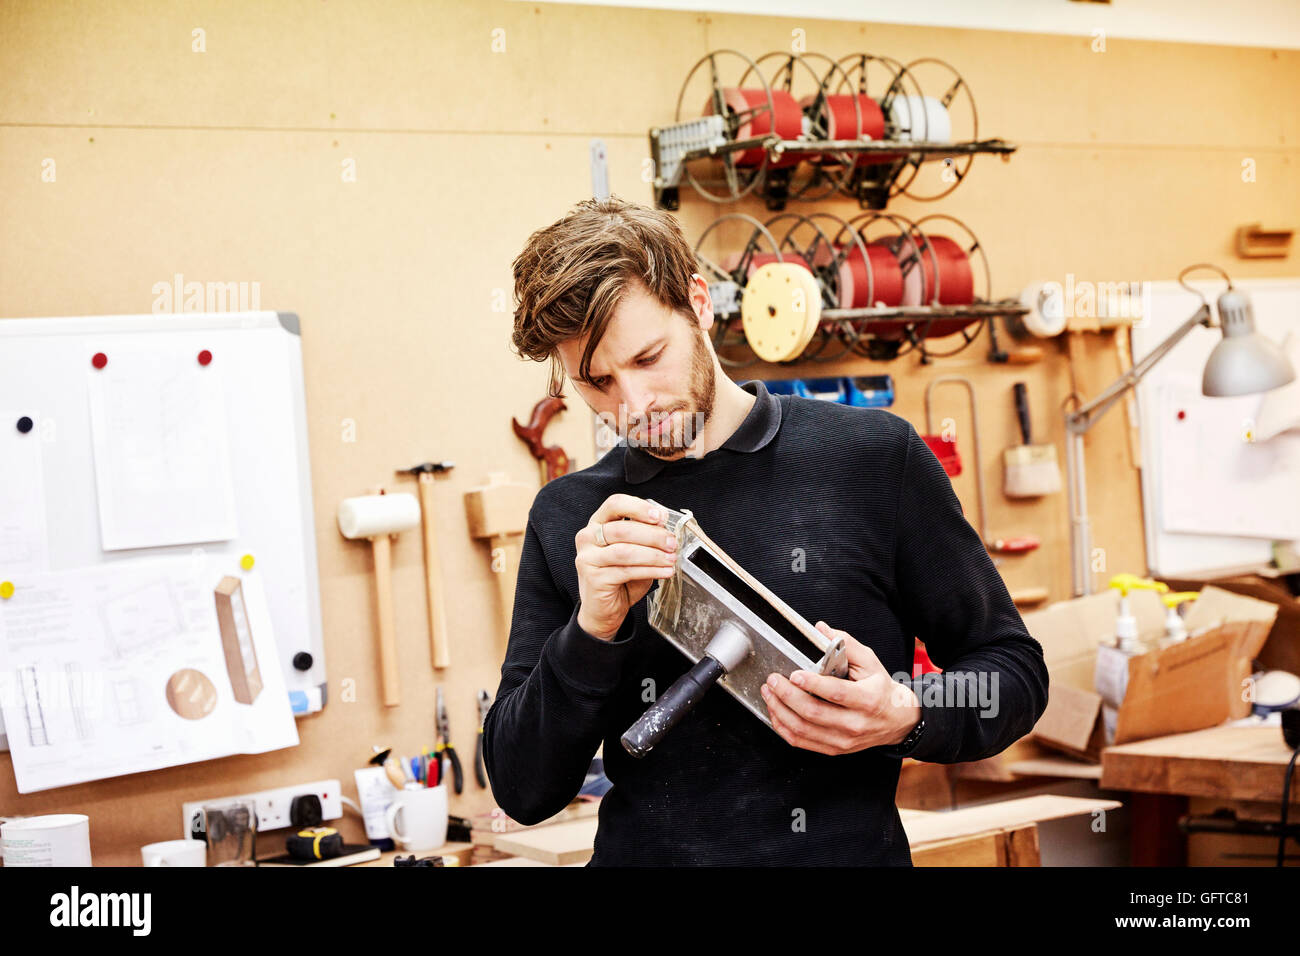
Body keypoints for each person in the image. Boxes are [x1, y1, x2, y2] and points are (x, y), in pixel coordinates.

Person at [482, 196, 1049, 865]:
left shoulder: (872, 461)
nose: (632, 407)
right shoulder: (574, 520)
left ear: (698, 303)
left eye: (648, 358)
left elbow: (1013, 675)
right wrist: (590, 635)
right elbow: (522, 788)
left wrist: (906, 710)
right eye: (597, 382)